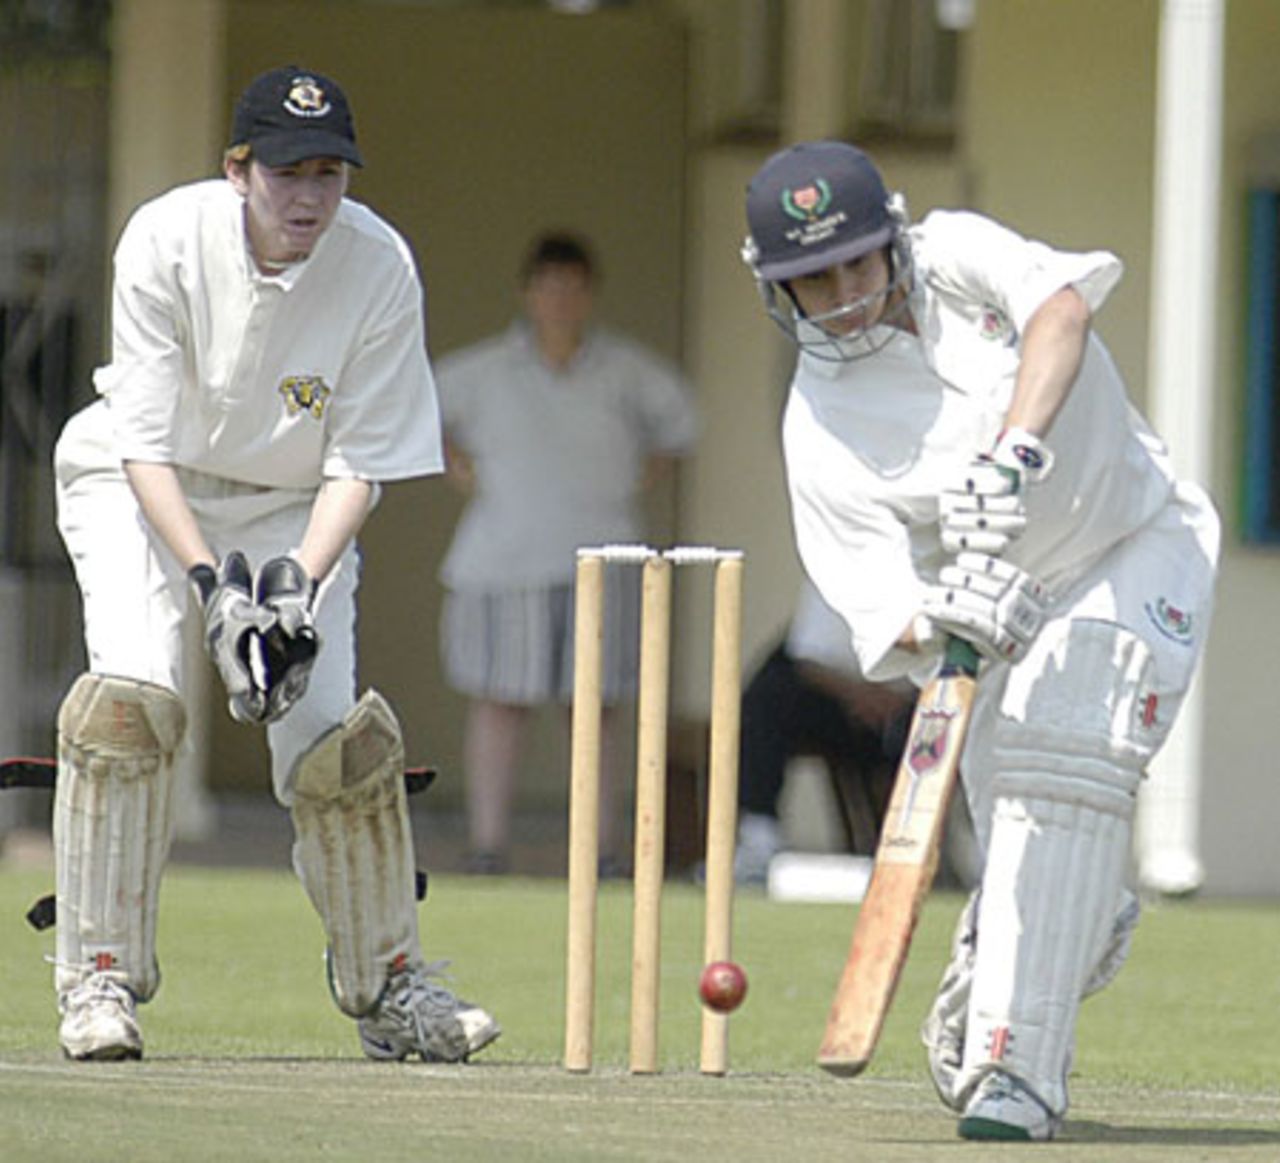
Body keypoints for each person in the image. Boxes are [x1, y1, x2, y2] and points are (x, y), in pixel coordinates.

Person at [741, 141, 1218, 1140]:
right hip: (997, 618)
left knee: (1064, 769)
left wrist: (1013, 451)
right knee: (1046, 856)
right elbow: (879, 611)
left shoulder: (956, 254)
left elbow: (1061, 311)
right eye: (809, 279)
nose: (840, 297)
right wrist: (947, 616)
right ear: (774, 285)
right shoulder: (820, 428)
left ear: (894, 243)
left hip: (1133, 541)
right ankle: (1043, 934)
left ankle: (1017, 1074)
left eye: (856, 265)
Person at [48, 66, 499, 1065]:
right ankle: (99, 978)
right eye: (287, 171)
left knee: (336, 743)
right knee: (132, 705)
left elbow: (361, 459)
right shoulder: (167, 240)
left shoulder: (377, 263)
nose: (308, 196)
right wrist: (214, 590)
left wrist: (292, 583)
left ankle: (390, 987)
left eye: (328, 172)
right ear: (237, 168)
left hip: (295, 507)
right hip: (141, 488)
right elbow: (143, 447)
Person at [435, 232, 697, 875]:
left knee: (597, 710)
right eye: (548, 286)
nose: (559, 300)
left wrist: (640, 475)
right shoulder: (484, 368)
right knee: (499, 702)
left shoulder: (629, 370)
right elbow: (416, 416)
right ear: (528, 292)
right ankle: (489, 842)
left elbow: (683, 425)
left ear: (589, 294)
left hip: (604, 557)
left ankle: (602, 849)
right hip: (502, 558)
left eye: (572, 287)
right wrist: (459, 467)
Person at [734, 578, 915, 883]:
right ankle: (758, 838)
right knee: (768, 695)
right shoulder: (839, 560)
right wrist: (859, 696)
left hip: (909, 707)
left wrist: (893, 700)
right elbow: (805, 656)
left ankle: (921, 849)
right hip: (837, 700)